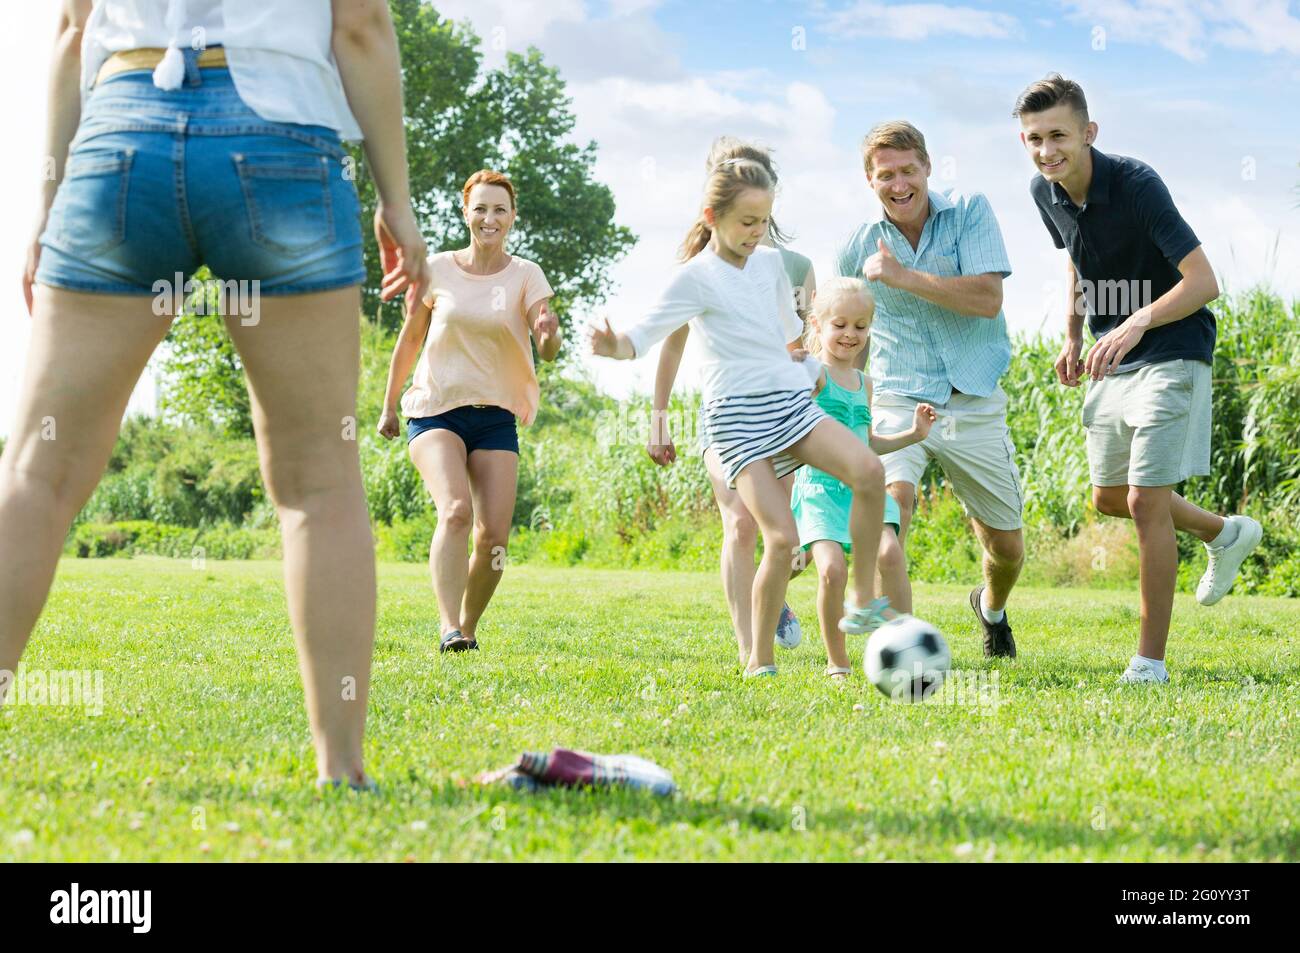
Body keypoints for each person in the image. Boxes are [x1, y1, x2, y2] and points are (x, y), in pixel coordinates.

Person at [1, 0, 429, 790]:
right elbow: (361, 24)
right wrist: (397, 200)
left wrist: (45, 201)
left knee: (35, 472)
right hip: (282, 141)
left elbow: (68, 31)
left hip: (120, 132)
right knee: (319, 483)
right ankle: (342, 770)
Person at [592, 147, 929, 677]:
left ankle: (863, 601)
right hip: (736, 419)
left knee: (868, 471)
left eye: (764, 221)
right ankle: (759, 659)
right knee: (779, 539)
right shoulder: (694, 278)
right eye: (746, 222)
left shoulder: (772, 264)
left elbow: (785, 336)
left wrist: (809, 369)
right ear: (712, 219)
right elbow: (646, 335)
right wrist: (614, 345)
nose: (756, 232)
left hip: (789, 402)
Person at [1014, 74, 1262, 684]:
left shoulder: (1137, 183)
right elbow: (1074, 257)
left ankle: (1149, 662)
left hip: (1174, 345)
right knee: (1109, 497)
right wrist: (1074, 334)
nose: (1047, 150)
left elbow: (1204, 282)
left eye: (1059, 136)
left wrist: (1133, 322)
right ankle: (1225, 533)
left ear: (1089, 133)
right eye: (1034, 139)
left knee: (1146, 500)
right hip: (1112, 356)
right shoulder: (1044, 192)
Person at [834, 120, 1024, 659]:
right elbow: (843, 326)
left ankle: (991, 608)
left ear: (927, 167)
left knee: (1006, 547)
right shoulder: (854, 246)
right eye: (885, 174)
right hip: (897, 393)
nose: (899, 184)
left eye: (908, 170)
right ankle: (894, 630)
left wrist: (904, 277)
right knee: (892, 501)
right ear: (869, 180)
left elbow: (989, 298)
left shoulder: (970, 212)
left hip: (974, 398)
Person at [645, 137, 811, 666]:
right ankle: (749, 647)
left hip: (784, 412)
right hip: (728, 417)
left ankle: (773, 596)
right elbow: (672, 344)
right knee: (739, 523)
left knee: (778, 531)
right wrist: (659, 418)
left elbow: (810, 344)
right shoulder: (696, 269)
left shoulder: (794, 266)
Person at [378, 170, 559, 654]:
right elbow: (411, 337)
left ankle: (468, 625)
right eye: (480, 208)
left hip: (496, 415)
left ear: (513, 217)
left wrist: (548, 332)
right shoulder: (435, 268)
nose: (489, 218)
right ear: (465, 212)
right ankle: (447, 626)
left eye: (500, 209)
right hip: (436, 411)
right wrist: (389, 404)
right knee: (456, 510)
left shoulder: (526, 274)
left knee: (494, 537)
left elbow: (548, 343)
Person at [791, 278, 935, 677]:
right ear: (818, 326)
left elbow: (867, 442)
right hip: (821, 490)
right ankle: (837, 664)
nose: (850, 335)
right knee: (833, 570)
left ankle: (908, 650)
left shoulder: (866, 385)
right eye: (839, 324)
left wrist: (914, 434)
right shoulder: (813, 374)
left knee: (890, 554)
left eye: (860, 325)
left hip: (863, 490)